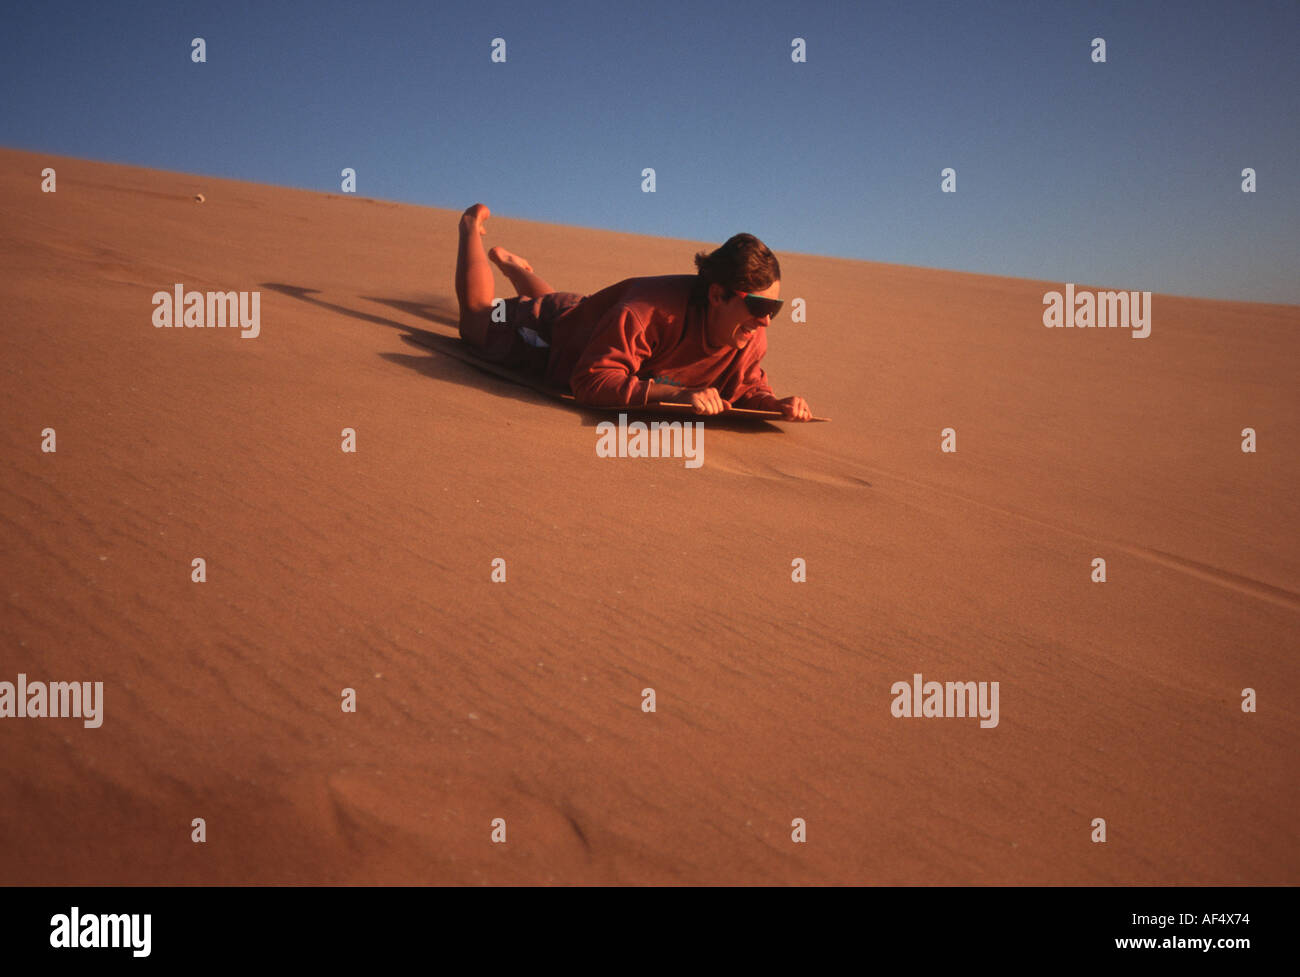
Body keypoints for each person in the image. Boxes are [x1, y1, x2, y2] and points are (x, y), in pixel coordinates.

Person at [454, 204, 814, 420]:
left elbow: (745, 387)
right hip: (549, 340)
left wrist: (774, 404)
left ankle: (519, 270)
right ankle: (470, 228)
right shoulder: (647, 314)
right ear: (718, 295)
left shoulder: (748, 333)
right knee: (474, 321)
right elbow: (591, 381)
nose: (766, 320)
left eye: (775, 308)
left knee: (569, 313)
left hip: (591, 317)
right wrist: (673, 394)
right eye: (759, 305)